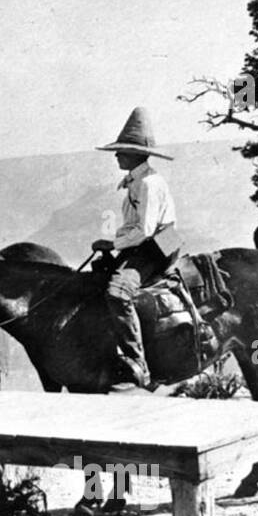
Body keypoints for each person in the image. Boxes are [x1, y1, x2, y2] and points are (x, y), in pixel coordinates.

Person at [91, 107, 180, 392]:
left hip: (157, 247)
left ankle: (137, 362)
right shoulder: (135, 181)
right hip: (143, 245)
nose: (117, 156)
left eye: (121, 151)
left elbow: (145, 230)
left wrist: (113, 243)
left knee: (117, 292)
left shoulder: (148, 184)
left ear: (135, 154)